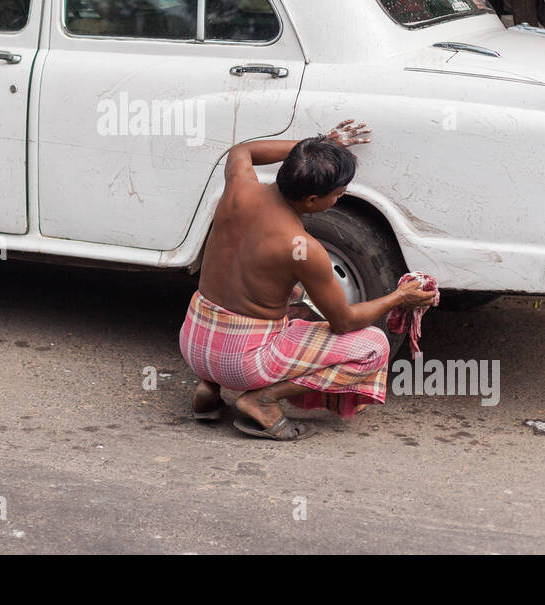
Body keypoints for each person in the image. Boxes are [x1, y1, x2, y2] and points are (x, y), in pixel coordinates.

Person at [179, 121, 438, 442]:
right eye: (338, 195)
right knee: (374, 346)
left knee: (286, 300)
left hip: (193, 343)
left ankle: (209, 386)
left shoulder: (238, 187)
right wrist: (399, 298)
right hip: (241, 362)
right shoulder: (302, 248)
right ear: (312, 201)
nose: (339, 201)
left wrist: (316, 148)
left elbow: (241, 150)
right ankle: (262, 399)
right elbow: (343, 321)